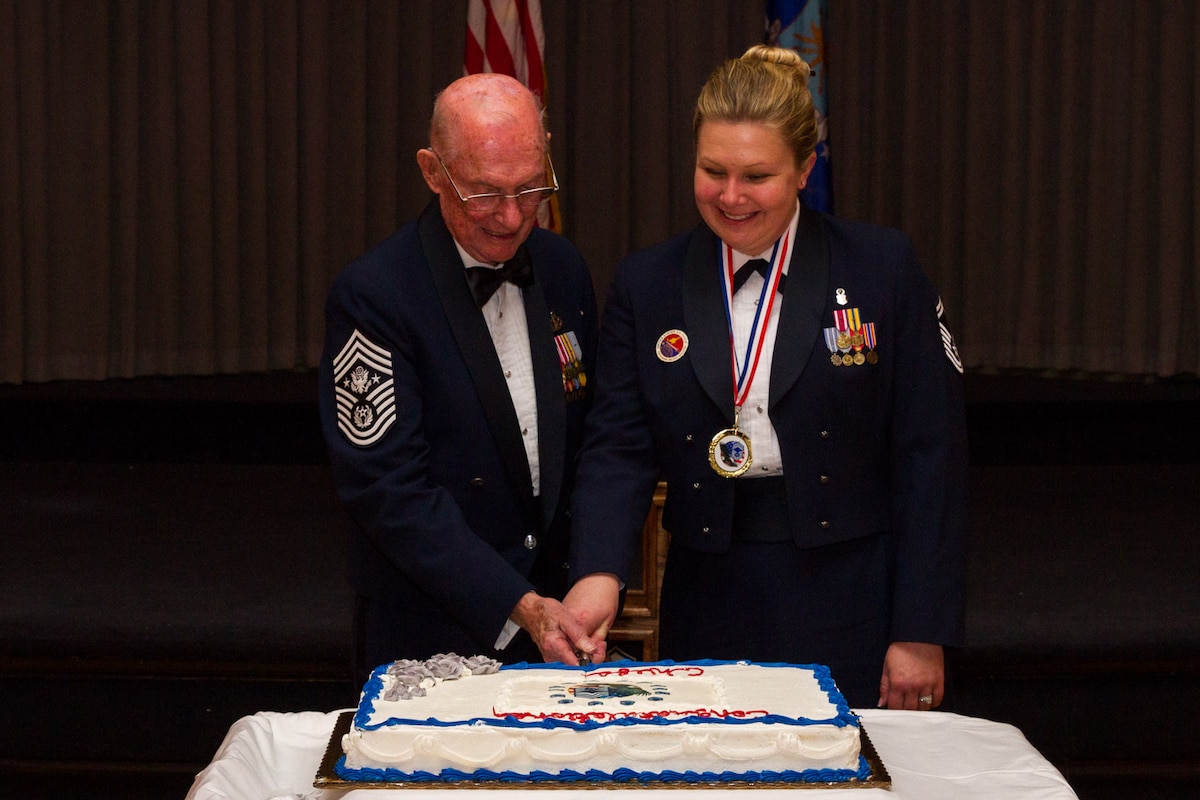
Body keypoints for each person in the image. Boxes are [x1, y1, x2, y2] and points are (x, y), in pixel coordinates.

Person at [565, 45, 968, 710]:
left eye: (756, 176)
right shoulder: (649, 282)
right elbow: (618, 447)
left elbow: (932, 457)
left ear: (805, 169)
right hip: (706, 593)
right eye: (712, 171)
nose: (731, 196)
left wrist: (921, 628)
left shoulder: (880, 268)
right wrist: (598, 571)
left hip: (848, 596)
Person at [319, 73, 600, 685]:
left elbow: (589, 445)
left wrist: (589, 577)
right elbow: (389, 490)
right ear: (432, 171)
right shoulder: (375, 297)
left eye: (529, 189)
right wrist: (519, 605)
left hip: (558, 629)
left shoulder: (563, 269)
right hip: (430, 631)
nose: (511, 216)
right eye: (484, 193)